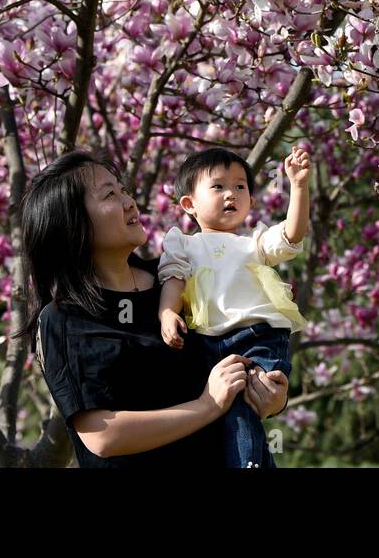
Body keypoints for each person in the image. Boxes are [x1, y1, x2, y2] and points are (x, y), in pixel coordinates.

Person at [16, 149, 289, 468]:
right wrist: (207, 405)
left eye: (122, 189)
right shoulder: (66, 319)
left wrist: (270, 393)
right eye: (109, 195)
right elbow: (103, 436)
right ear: (72, 225)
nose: (129, 202)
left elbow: (243, 343)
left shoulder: (176, 282)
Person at [157, 144, 310, 468]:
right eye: (218, 186)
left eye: (240, 186)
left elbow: (292, 235)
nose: (232, 194)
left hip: (257, 338)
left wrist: (298, 186)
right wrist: (167, 312)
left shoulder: (253, 244)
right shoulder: (183, 244)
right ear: (189, 204)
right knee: (218, 410)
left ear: (251, 202)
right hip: (205, 341)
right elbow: (174, 280)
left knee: (242, 406)